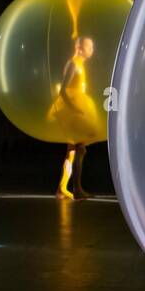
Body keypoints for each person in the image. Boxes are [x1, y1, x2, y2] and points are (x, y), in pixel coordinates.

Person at [48, 36, 98, 199]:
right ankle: (76, 188)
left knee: (72, 151)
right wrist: (74, 109)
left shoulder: (80, 65)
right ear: (79, 48)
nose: (92, 50)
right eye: (88, 47)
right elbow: (63, 90)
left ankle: (63, 187)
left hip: (77, 107)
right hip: (72, 110)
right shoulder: (73, 64)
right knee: (79, 149)